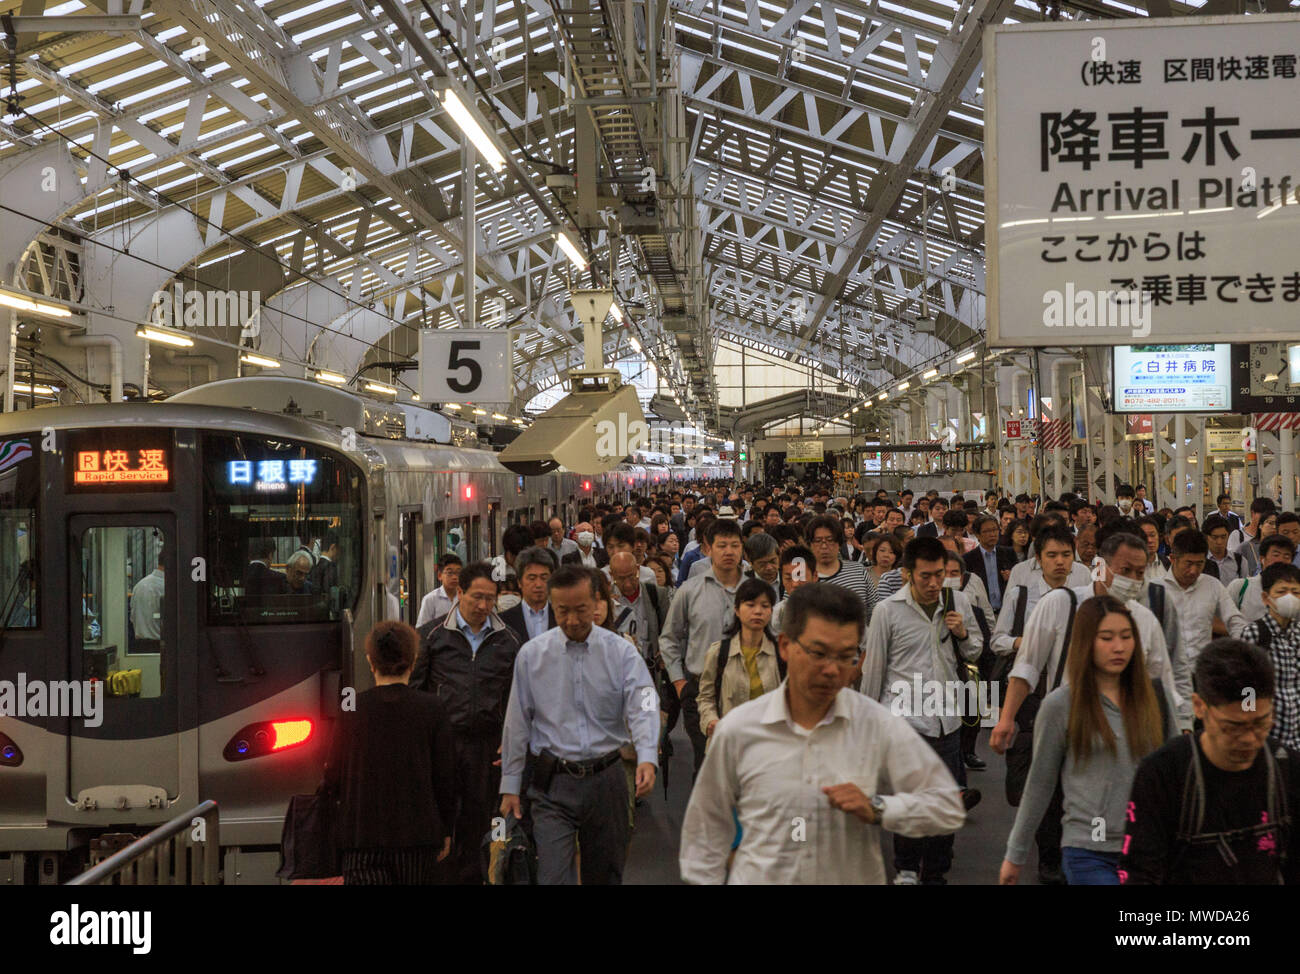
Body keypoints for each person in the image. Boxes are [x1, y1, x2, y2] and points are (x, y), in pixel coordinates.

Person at [679, 583, 966, 884]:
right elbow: (704, 832)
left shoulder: (876, 726)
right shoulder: (738, 731)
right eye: (818, 653)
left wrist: (880, 808)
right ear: (786, 646)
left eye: (846, 656)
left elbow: (947, 804)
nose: (832, 669)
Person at [990, 530, 1186, 884]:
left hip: (1141, 830)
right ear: (1100, 567)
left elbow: (1168, 690)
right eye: (1126, 570)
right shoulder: (1061, 604)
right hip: (1074, 748)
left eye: (1141, 573)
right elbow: (1027, 667)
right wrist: (1005, 719)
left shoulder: (1146, 620)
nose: (1134, 580)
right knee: (1056, 837)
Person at [499, 566, 659, 885]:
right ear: (551, 606)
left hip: (607, 780)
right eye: (562, 611)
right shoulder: (532, 656)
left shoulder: (622, 652)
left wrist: (647, 754)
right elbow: (517, 722)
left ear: (597, 602)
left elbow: (645, 703)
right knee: (552, 875)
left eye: (581, 610)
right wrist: (510, 784)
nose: (572, 620)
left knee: (605, 874)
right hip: (552, 784)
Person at [999, 596, 1167, 885]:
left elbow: (1172, 775)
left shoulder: (1155, 698)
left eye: (1126, 637)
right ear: (1086, 642)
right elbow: (1040, 783)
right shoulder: (1060, 705)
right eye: (1106, 637)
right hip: (1089, 848)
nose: (1119, 646)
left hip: (1147, 849)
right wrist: (1015, 854)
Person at [1120, 639, 1300, 884]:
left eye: (1260, 723)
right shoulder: (1163, 774)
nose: (1249, 739)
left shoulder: (1288, 770)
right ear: (1199, 707)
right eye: (1233, 727)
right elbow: (1140, 874)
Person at [860, 536, 982, 885]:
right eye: (925, 576)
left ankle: (937, 871)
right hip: (904, 722)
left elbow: (975, 651)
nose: (933, 583)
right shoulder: (888, 611)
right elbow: (875, 669)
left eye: (939, 575)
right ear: (907, 574)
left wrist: (961, 633)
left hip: (946, 719)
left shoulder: (956, 600)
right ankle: (907, 868)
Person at [409, 562, 522, 883]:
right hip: (443, 746)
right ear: (459, 593)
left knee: (485, 821)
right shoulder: (430, 636)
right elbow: (416, 693)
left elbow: (518, 700)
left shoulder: (509, 641)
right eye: (476, 597)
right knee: (443, 821)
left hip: (489, 749)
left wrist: (511, 739)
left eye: (490, 599)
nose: (483, 606)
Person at [326, 620, 458, 885]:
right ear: (413, 659)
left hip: (361, 837)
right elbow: (446, 776)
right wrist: (445, 829)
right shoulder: (432, 708)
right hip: (417, 837)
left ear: (370, 661)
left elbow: (333, 776)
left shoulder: (352, 708)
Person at [659, 519, 746, 775]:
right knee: (706, 764)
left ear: (743, 548)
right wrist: (678, 682)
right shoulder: (690, 590)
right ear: (708, 549)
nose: (728, 551)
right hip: (699, 690)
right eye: (722, 546)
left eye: (734, 545)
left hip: (746, 688)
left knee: (743, 766)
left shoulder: (753, 591)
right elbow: (669, 638)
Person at [697, 578, 783, 743]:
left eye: (765, 606)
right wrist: (710, 721)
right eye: (750, 605)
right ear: (737, 610)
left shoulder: (781, 654)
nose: (758, 611)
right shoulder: (719, 652)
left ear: (771, 611)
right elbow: (706, 696)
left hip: (770, 745)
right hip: (729, 744)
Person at [1160, 529, 1247, 686]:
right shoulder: (1155, 589)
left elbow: (1235, 620)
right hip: (1166, 676)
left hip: (1202, 674)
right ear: (1173, 559)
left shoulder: (1212, 585)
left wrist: (1242, 649)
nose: (1194, 570)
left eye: (1199, 564)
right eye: (1188, 563)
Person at [1239, 563, 1300, 751]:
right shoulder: (1254, 634)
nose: (1289, 597)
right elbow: (1246, 686)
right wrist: (1249, 726)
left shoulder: (1298, 635)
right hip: (1267, 740)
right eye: (1282, 591)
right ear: (1266, 598)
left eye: (1295, 592)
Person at [806, 514, 875, 618]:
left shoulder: (858, 571)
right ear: (809, 544)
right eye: (818, 541)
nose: (824, 546)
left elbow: (874, 610)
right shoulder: (801, 575)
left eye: (830, 540)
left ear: (839, 542)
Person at [1232, 534, 1297, 622]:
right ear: (1262, 558)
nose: (1281, 560)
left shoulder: (1295, 592)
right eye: (1276, 555)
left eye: (1286, 556)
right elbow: (1220, 620)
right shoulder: (1241, 586)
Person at [499, 547, 557, 645]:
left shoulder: (561, 617)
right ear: (519, 582)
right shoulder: (503, 621)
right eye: (532, 578)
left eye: (544, 578)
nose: (538, 584)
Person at [966, 515, 1017, 616]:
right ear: (977, 535)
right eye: (987, 531)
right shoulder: (969, 559)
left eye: (995, 530)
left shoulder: (1008, 553)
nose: (992, 534)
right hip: (982, 613)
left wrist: (1012, 576)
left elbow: (1019, 581)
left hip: (1006, 611)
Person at [130, 553, 165, 653]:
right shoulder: (167, 586)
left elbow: (133, 618)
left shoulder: (139, 585)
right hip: (160, 647)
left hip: (139, 648)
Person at [415, 553, 462, 626]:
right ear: (440, 575)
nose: (455, 577)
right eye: (450, 573)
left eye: (458, 573)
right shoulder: (430, 599)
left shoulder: (465, 598)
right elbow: (422, 628)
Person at [308, 529, 341, 596]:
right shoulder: (330, 568)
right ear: (333, 547)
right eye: (338, 549)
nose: (339, 553)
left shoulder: (314, 567)